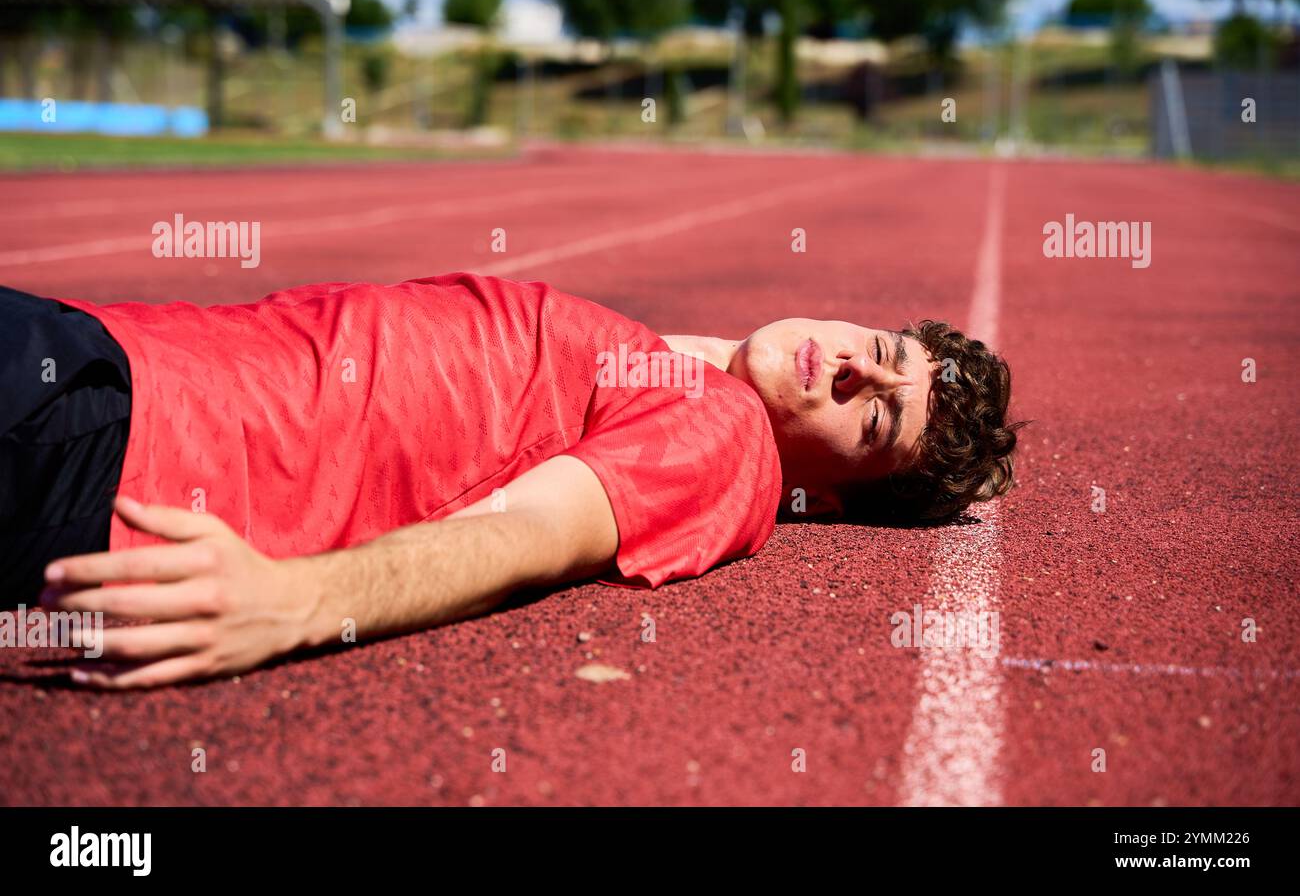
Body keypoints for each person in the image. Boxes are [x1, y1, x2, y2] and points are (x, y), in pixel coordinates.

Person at [1, 273, 1019, 688]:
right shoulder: (679, 367)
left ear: (835, 495)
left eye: (874, 415)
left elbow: (528, 533)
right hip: (119, 360)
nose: (853, 368)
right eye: (882, 348)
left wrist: (296, 603)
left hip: (118, 445)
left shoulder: (725, 440)